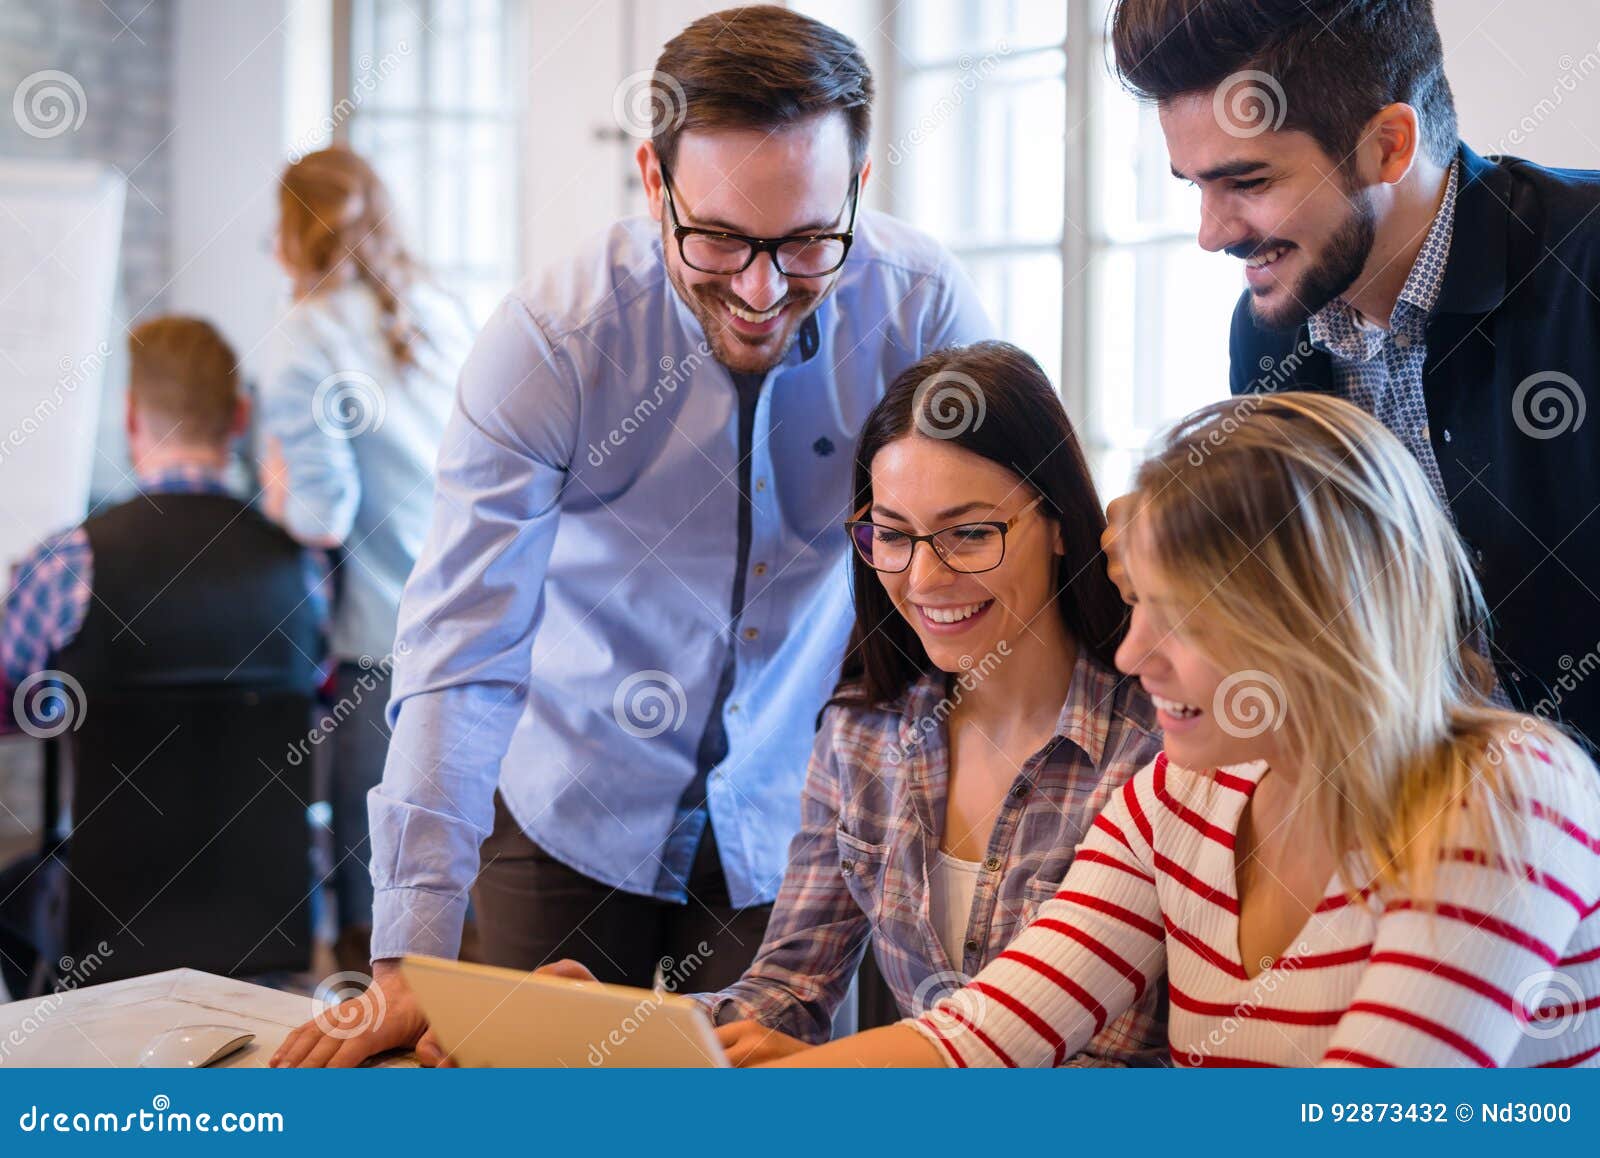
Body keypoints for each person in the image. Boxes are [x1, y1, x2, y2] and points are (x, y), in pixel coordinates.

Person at [271, 5, 989, 1068]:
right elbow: (462, 647)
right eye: (719, 240)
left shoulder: (923, 313)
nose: (760, 290)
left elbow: (986, 585)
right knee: (521, 1101)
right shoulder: (554, 341)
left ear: (858, 186)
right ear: (654, 184)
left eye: (803, 242)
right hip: (571, 792)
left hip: (793, 815)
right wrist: (407, 957)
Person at [777, 392, 1600, 1068]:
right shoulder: (1181, 796)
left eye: (1183, 622)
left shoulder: (1509, 788)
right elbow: (975, 1038)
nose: (1134, 656)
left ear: (1314, 621)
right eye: (1136, 608)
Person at [537, 342, 1166, 1066]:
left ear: (1059, 524)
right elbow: (788, 992)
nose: (925, 578)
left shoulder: (1155, 742)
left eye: (968, 533)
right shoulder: (862, 732)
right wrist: (622, 1029)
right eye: (892, 536)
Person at [1101, 0, 1600, 749]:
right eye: (1194, 185)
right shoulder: (1269, 335)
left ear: (1389, 145)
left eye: (1249, 182)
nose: (1211, 234)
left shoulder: (1586, 265)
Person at [260, 146, 474, 972]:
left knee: (376, 882)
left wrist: (276, 487)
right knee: (457, 863)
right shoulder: (439, 309)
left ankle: (368, 1058)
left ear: (291, 235)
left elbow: (322, 513)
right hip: (478, 625)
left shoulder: (305, 336)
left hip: (380, 646)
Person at [2, 315, 324, 729]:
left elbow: (17, 691)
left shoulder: (67, 563)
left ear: (130, 417)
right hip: (275, 796)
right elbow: (315, 681)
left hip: (108, 795)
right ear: (242, 417)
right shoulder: (304, 570)